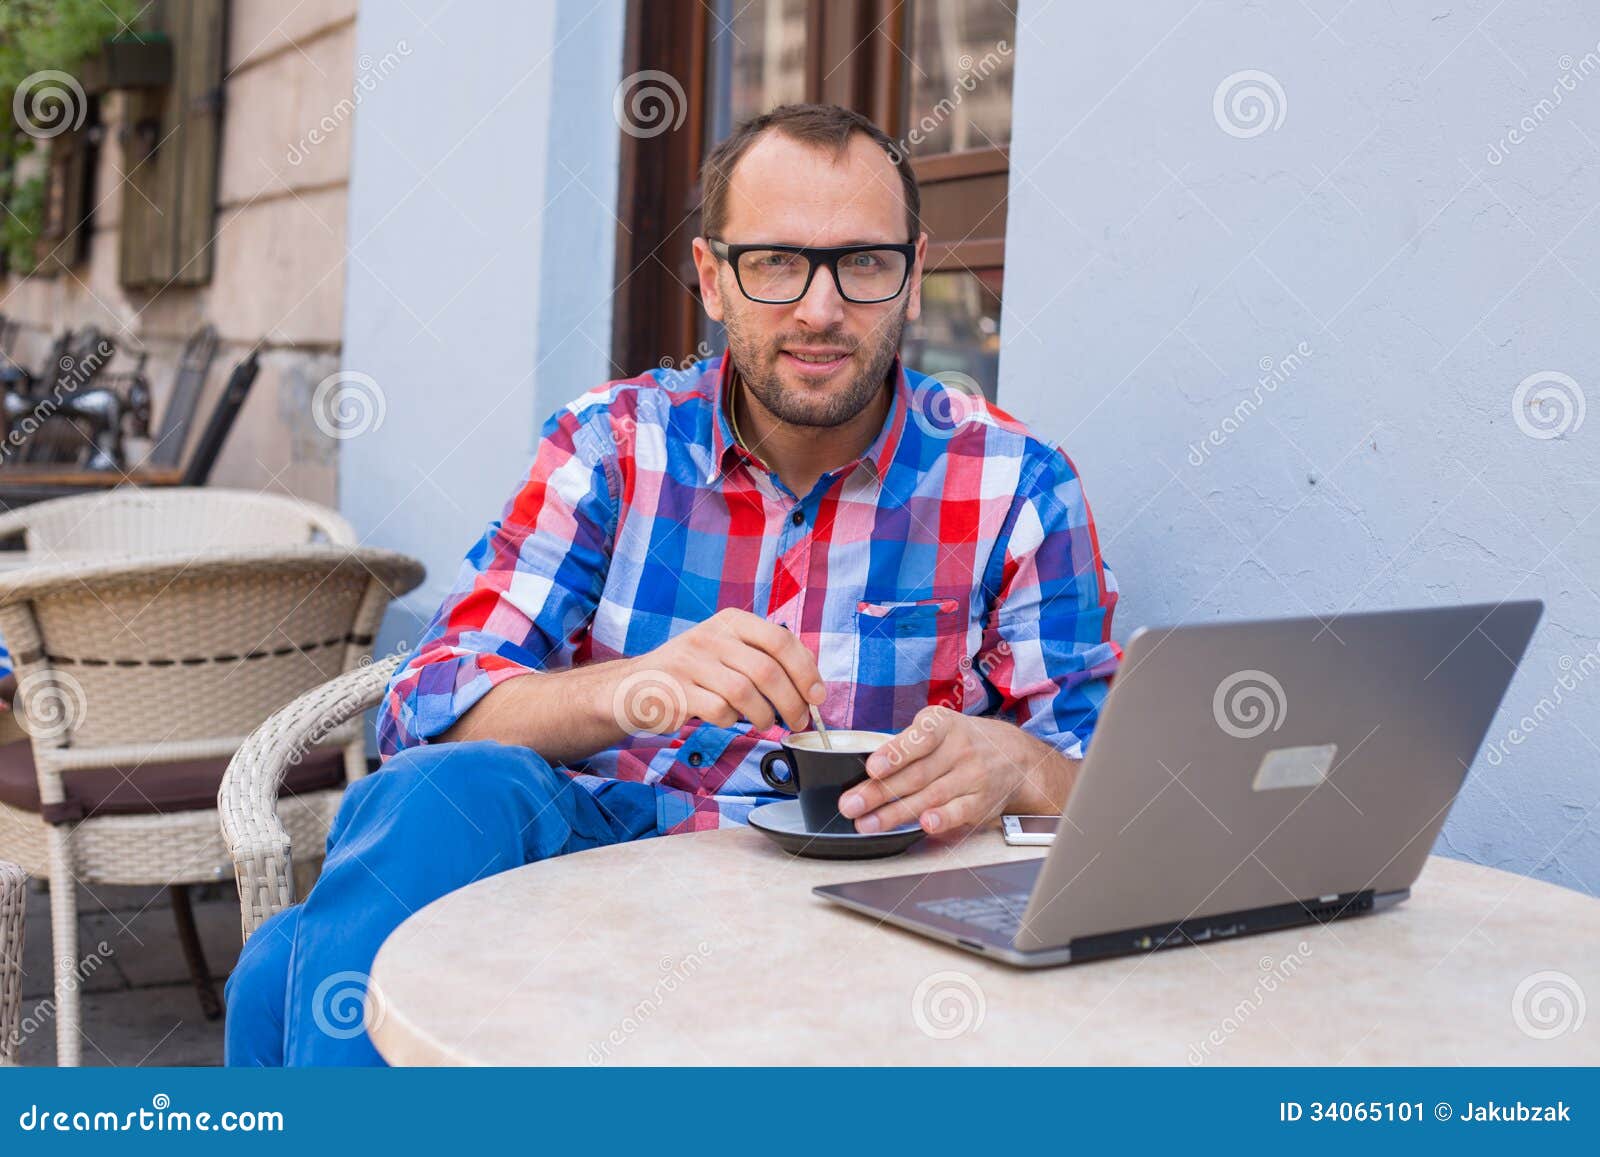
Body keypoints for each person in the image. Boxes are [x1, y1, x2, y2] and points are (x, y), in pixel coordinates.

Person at [225, 102, 1121, 1066]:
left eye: (863, 263)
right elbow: (428, 706)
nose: (821, 310)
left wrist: (1021, 766)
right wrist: (633, 687)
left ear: (911, 277)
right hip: (595, 883)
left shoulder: (1015, 482)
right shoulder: (612, 446)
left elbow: (1122, 788)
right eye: (776, 262)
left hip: (865, 926)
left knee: (281, 969)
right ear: (711, 278)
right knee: (447, 790)